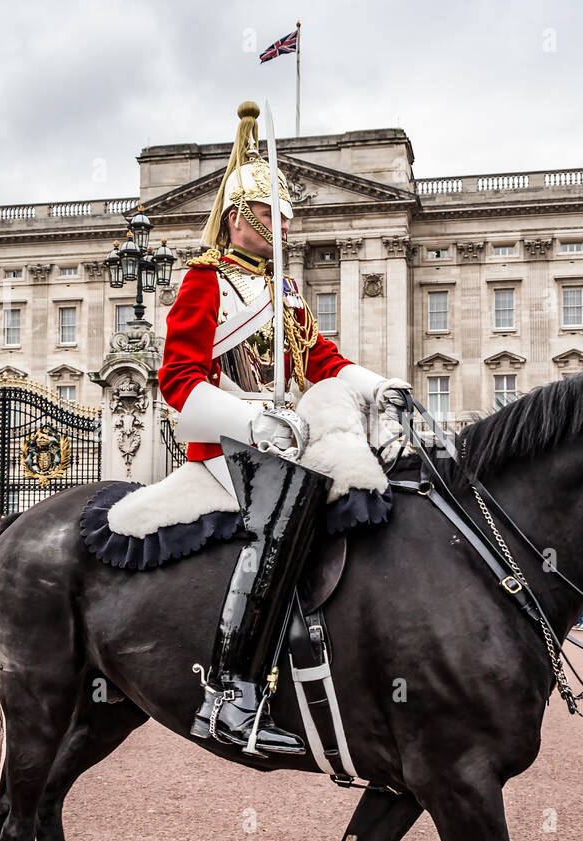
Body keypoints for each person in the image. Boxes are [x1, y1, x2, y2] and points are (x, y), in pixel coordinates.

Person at [157, 101, 411, 757]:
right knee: (288, 512)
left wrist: (379, 387)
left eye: (288, 218)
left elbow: (320, 361)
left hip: (281, 439)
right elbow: (179, 382)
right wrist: (251, 417)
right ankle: (231, 698)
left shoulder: (287, 293)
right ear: (239, 219)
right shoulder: (203, 284)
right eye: (271, 215)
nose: (282, 228)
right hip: (225, 444)